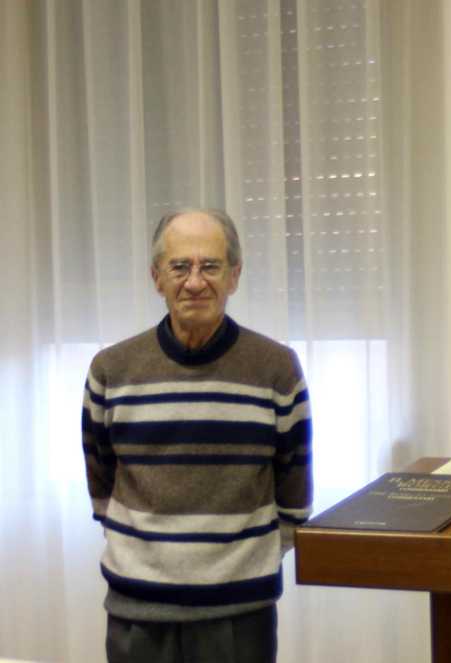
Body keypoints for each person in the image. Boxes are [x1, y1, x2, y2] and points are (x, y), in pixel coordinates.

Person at [81, 208, 313, 663]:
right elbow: (100, 478)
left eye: (210, 266)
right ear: (156, 278)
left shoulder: (276, 368)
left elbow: (295, 485)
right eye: (179, 267)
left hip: (240, 613)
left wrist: (248, 563)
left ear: (234, 276)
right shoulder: (111, 369)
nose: (194, 282)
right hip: (137, 610)